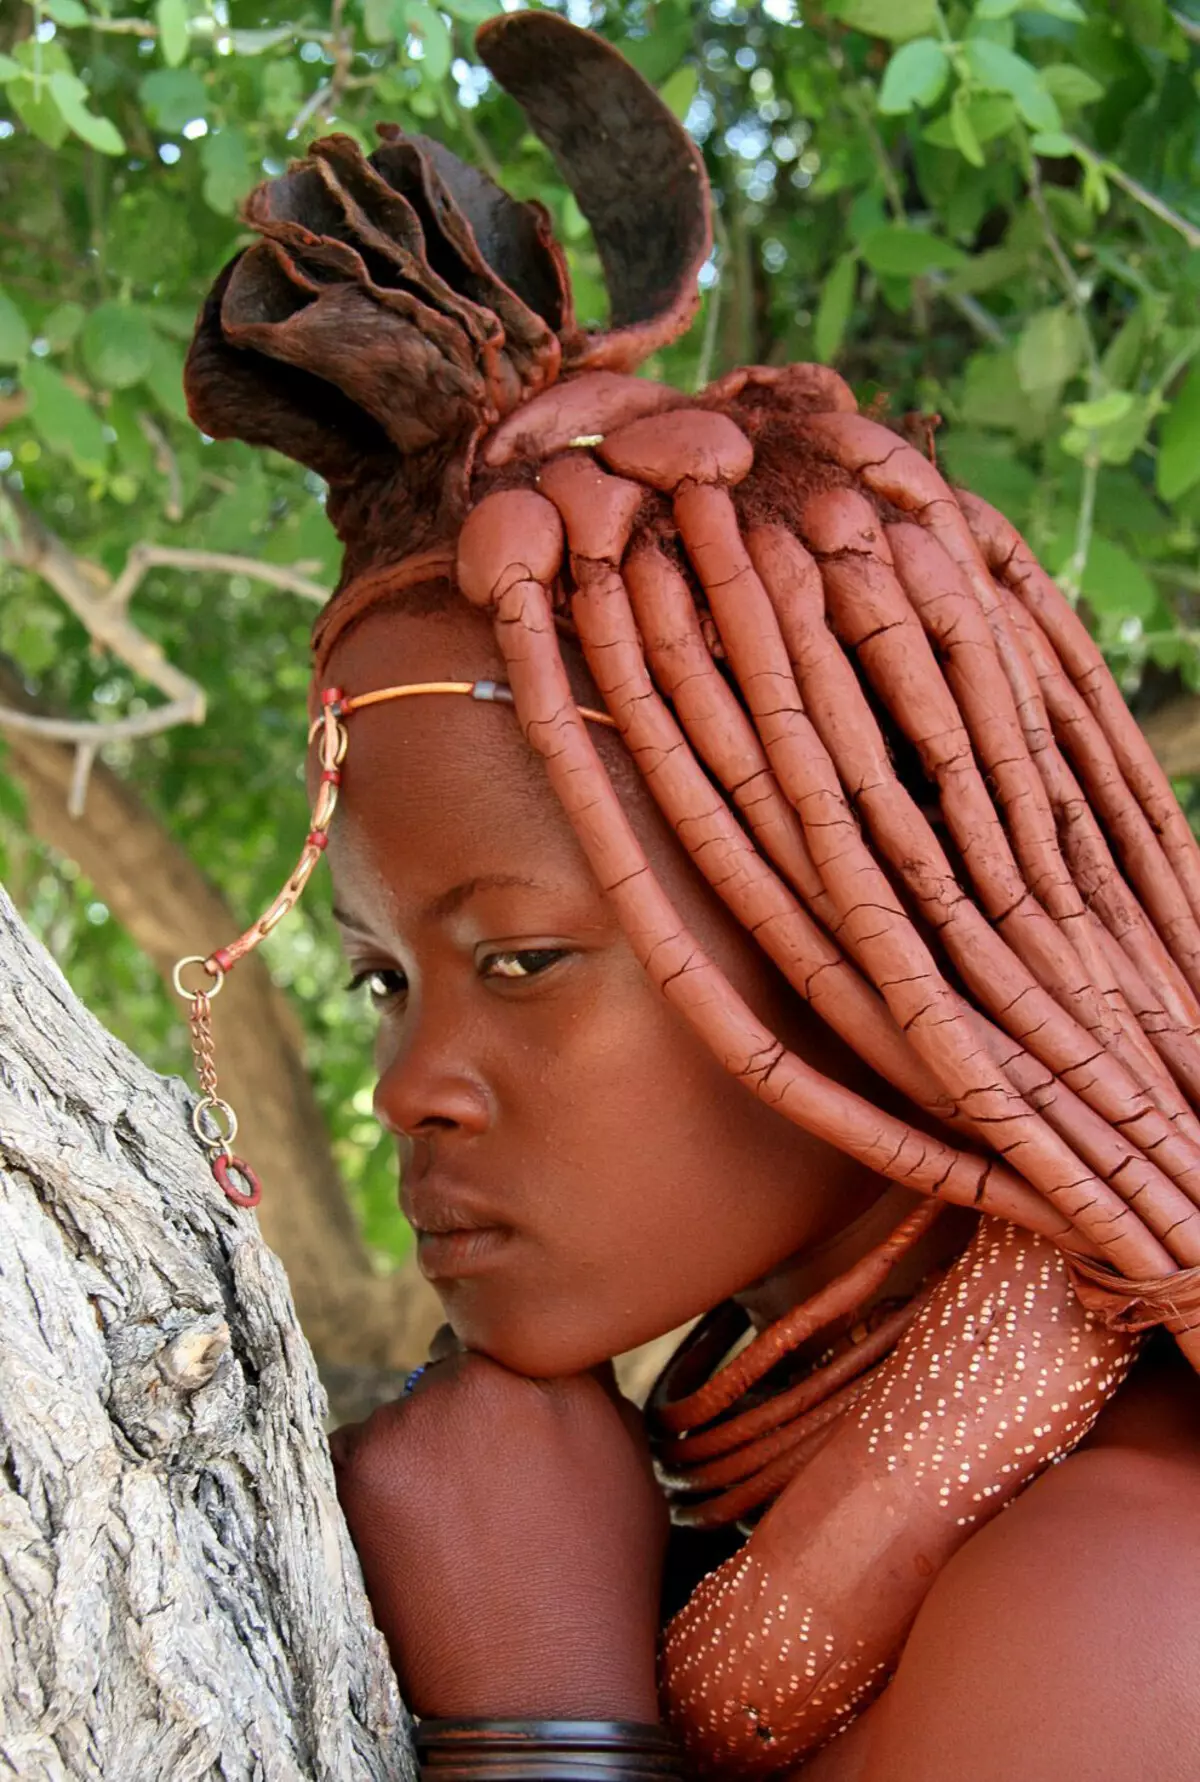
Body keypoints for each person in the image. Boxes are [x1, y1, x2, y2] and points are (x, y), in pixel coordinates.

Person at [179, 14, 1200, 1780]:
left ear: (878, 937)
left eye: (521, 954)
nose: (408, 1086)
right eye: (385, 982)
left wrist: (542, 1720)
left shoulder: (1122, 1602)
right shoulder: (757, 1506)